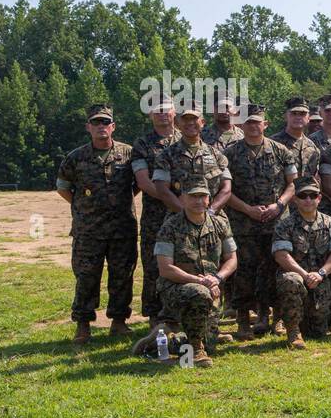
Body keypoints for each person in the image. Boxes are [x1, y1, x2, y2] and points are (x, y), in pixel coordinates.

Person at [55, 104, 138, 344]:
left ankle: (119, 322)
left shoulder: (128, 153)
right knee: (86, 276)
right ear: (88, 127)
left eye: (105, 122)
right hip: (88, 230)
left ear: (113, 126)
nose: (101, 126)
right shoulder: (76, 157)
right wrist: (84, 207)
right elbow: (63, 187)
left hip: (122, 228)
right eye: (96, 122)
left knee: (122, 275)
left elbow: (138, 184)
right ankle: (83, 325)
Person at [223, 104, 296, 339]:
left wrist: (279, 205)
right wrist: (248, 210)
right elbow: (225, 190)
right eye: (248, 122)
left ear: (265, 124)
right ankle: (243, 321)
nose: (253, 126)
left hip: (276, 223)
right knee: (244, 271)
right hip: (243, 223)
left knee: (275, 270)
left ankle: (275, 318)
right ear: (241, 125)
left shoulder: (281, 151)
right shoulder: (230, 154)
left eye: (257, 122)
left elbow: (292, 184)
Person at [153, 175, 238, 367]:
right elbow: (165, 269)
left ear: (209, 198)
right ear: (182, 198)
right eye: (193, 196)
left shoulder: (220, 224)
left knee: (211, 342)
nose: (199, 201)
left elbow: (232, 259)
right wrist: (199, 281)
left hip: (211, 287)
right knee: (199, 293)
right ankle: (196, 350)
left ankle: (165, 339)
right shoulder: (170, 227)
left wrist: (217, 278)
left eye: (203, 196)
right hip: (176, 288)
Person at [271, 177, 331, 349]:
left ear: (319, 198)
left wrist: (320, 274)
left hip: (320, 281)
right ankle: (293, 332)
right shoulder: (284, 224)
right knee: (290, 279)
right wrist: (305, 275)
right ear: (295, 199)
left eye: (313, 195)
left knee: (317, 332)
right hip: (298, 280)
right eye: (303, 195)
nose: (308, 200)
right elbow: (281, 256)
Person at [130, 98, 180, 326]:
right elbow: (143, 182)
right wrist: (172, 200)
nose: (162, 114)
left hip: (184, 213)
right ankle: (154, 315)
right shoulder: (142, 144)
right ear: (150, 115)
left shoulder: (185, 139)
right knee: (153, 264)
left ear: (174, 112)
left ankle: (180, 313)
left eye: (166, 110)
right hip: (156, 215)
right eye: (156, 111)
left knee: (183, 261)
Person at [270, 97, 321, 180]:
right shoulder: (273, 144)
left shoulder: (313, 148)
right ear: (285, 116)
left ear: (308, 118)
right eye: (294, 113)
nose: (298, 117)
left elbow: (315, 178)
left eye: (302, 114)